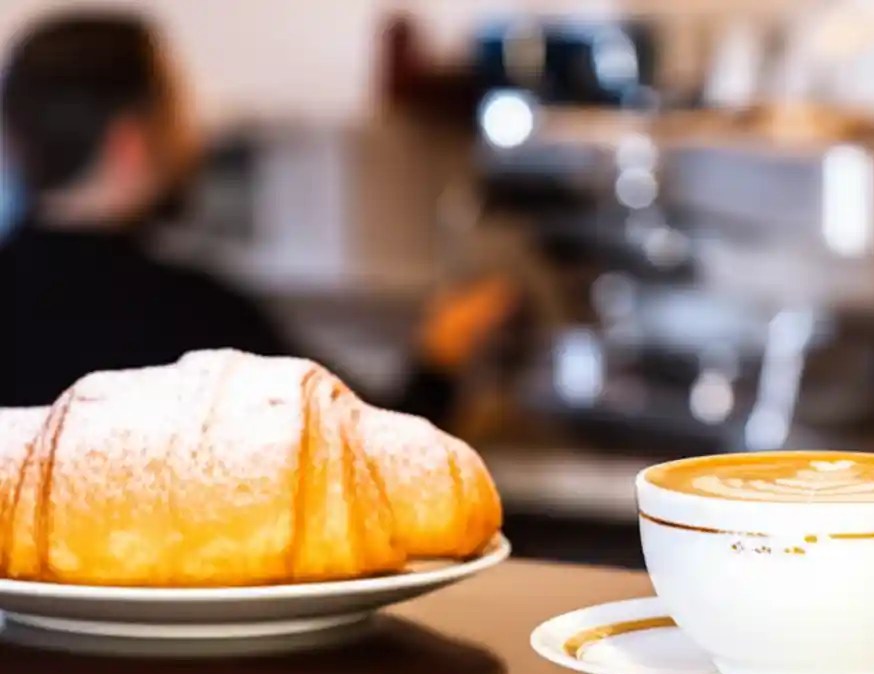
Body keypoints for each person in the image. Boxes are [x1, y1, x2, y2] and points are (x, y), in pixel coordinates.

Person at [0, 13, 521, 424]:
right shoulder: (194, 319)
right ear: (131, 143)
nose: (195, 132)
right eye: (179, 107)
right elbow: (369, 445)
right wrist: (442, 352)